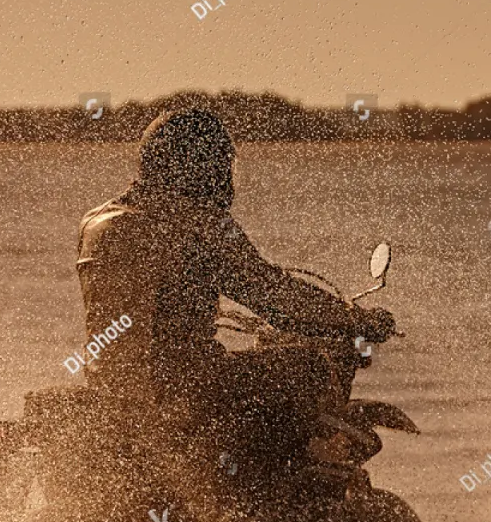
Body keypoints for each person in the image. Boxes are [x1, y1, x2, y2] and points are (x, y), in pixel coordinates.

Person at [75, 108, 395, 463]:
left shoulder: (97, 222)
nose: (227, 177)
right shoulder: (197, 222)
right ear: (202, 167)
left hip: (110, 388)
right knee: (308, 365)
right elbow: (274, 297)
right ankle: (278, 484)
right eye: (223, 164)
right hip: (181, 385)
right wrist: (356, 319)